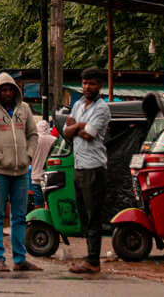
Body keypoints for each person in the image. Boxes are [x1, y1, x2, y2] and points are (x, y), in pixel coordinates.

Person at [0, 72, 42, 273]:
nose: (7, 93)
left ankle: (20, 259)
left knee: (19, 216)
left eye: (10, 89)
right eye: (3, 90)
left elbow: (33, 134)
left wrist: (29, 156)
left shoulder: (24, 109)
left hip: (21, 172)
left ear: (15, 91)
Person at [64, 68, 113, 274]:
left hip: (94, 168)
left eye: (91, 83)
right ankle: (89, 257)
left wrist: (77, 127)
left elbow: (89, 135)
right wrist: (78, 126)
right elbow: (66, 132)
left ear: (99, 85)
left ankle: (93, 260)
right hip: (79, 166)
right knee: (83, 216)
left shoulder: (102, 109)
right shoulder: (76, 105)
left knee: (93, 217)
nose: (87, 87)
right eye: (84, 83)